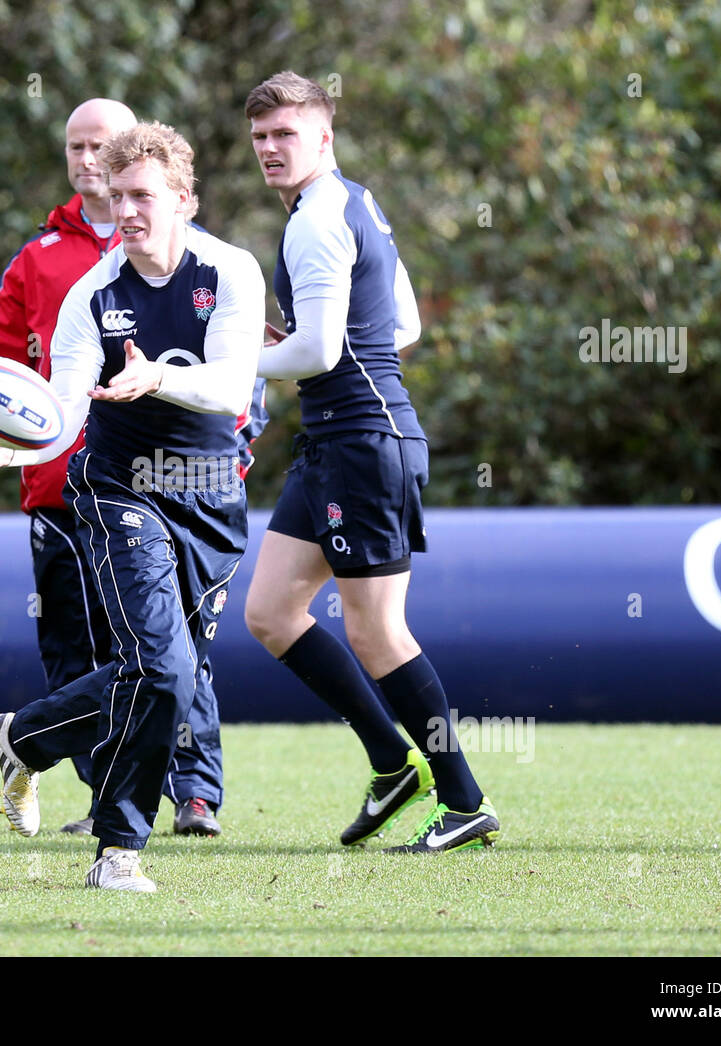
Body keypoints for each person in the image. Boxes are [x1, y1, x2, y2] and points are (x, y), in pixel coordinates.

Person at [0, 121, 264, 890]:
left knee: (159, 674)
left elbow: (231, 388)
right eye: (118, 197)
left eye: (144, 196)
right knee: (163, 670)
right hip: (120, 490)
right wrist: (2, 451)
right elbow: (64, 417)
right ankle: (118, 851)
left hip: (211, 496)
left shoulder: (232, 271)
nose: (128, 211)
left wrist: (157, 380)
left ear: (184, 199)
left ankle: (25, 738)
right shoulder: (92, 294)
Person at [242, 71, 500, 853]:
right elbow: (407, 323)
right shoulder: (355, 202)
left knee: (377, 632)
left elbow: (319, 350)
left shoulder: (315, 220)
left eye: (285, 134)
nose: (269, 149)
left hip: (363, 445)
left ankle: (463, 800)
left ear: (324, 135)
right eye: (259, 138)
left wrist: (242, 361)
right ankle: (392, 764)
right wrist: (297, 352)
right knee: (272, 614)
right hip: (333, 443)